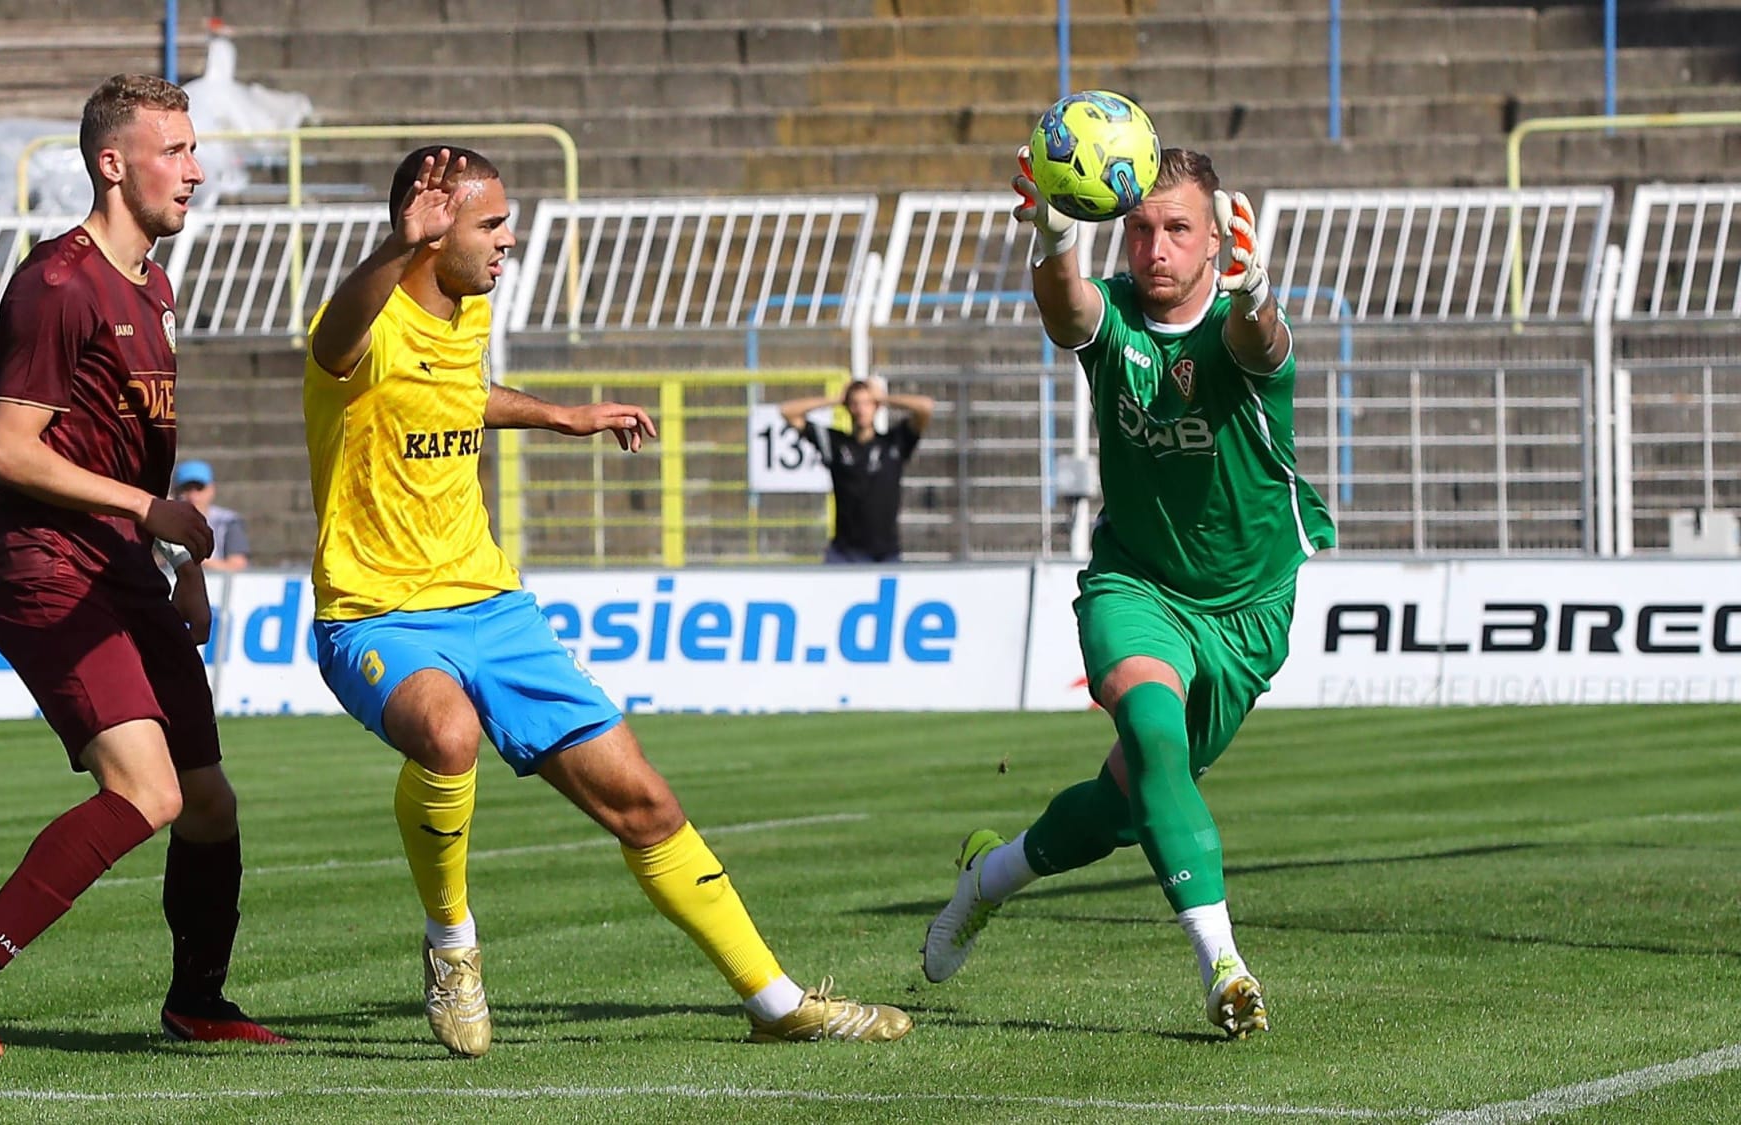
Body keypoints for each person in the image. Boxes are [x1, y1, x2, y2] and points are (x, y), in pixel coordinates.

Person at [303, 145, 912, 1057]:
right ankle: (451, 945)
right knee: (449, 731)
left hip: (492, 607)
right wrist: (394, 249)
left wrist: (563, 416)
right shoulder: (363, 317)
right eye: (492, 224)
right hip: (375, 613)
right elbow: (334, 343)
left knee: (647, 806)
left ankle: (776, 1000)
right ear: (428, 231)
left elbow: (457, 396)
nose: (509, 239)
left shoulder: (468, 310)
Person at [0, 74, 283, 1061]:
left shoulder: (151, 281)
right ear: (113, 163)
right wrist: (146, 512)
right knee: (148, 793)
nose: (196, 171)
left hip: (126, 564)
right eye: (176, 151)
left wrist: (175, 555)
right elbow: (11, 451)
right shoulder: (56, 284)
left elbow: (137, 457)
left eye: (195, 150)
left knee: (207, 802)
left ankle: (198, 998)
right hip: (48, 566)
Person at [921, 147, 1336, 1038]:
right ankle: (1224, 965)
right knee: (1151, 733)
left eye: (1178, 229)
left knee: (1126, 803)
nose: (1154, 248)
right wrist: (1052, 237)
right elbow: (1066, 309)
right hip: (1134, 581)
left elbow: (1261, 343)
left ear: (1217, 236)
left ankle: (989, 877)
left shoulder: (1237, 324)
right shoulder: (1111, 314)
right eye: (1140, 228)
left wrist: (1256, 287)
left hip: (1248, 610)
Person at [777, 380, 934, 563]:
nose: (861, 409)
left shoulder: (894, 442)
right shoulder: (834, 443)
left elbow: (925, 407)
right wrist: (835, 399)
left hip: (885, 554)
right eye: (855, 403)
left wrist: (883, 397)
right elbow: (787, 411)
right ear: (848, 407)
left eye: (867, 403)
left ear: (876, 406)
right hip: (845, 554)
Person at [172, 459, 250, 571]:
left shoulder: (228, 522)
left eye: (199, 488)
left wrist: (190, 560)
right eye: (186, 489)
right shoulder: (161, 523)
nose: (193, 496)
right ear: (176, 492)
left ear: (211, 490)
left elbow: (237, 565)